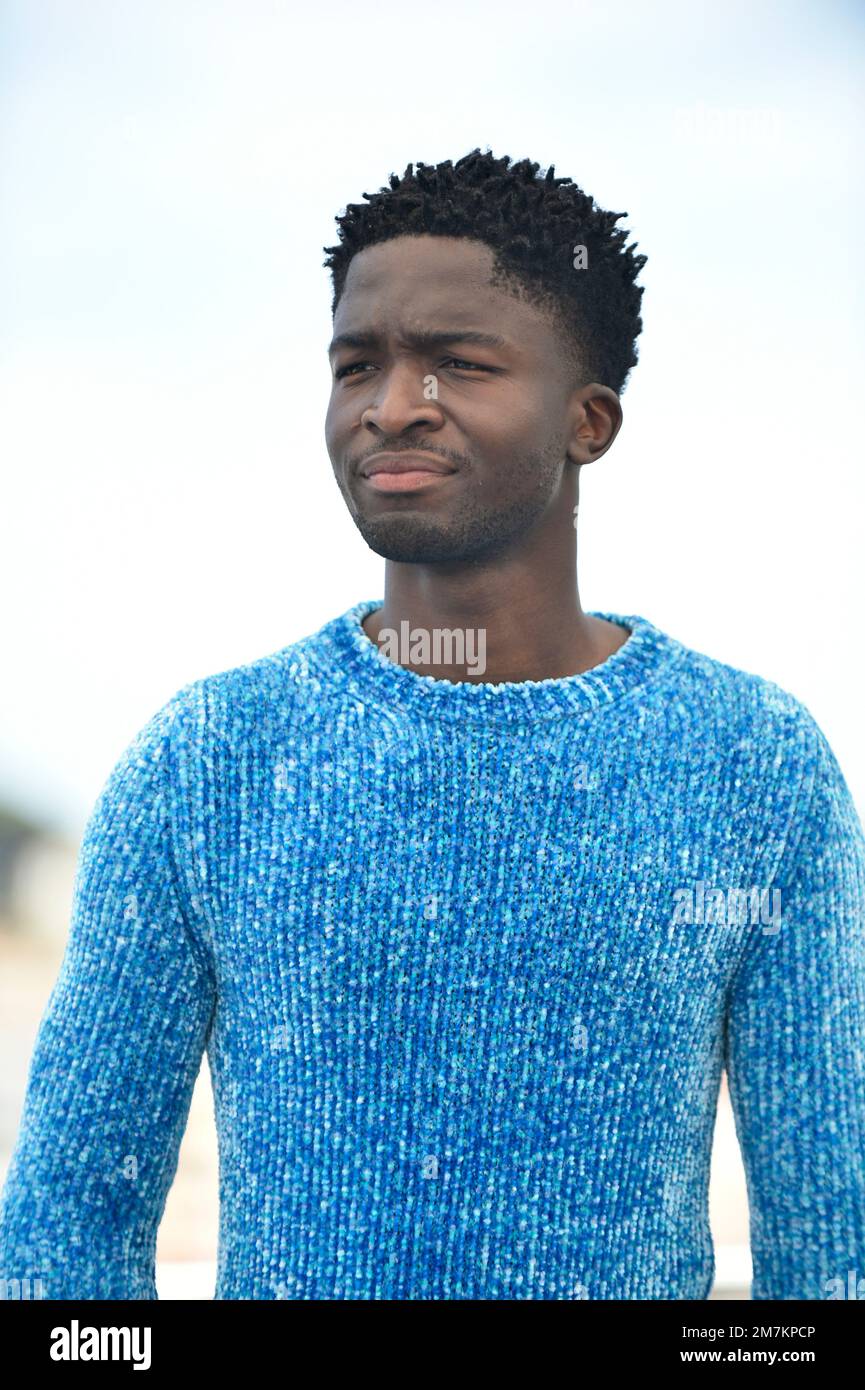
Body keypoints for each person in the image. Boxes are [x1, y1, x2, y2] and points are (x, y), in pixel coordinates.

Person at [1, 149, 863, 1301]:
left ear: (589, 420)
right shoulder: (210, 759)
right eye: (358, 364)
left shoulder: (750, 765)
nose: (391, 406)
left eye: (457, 363)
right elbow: (67, 1224)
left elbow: (829, 1242)